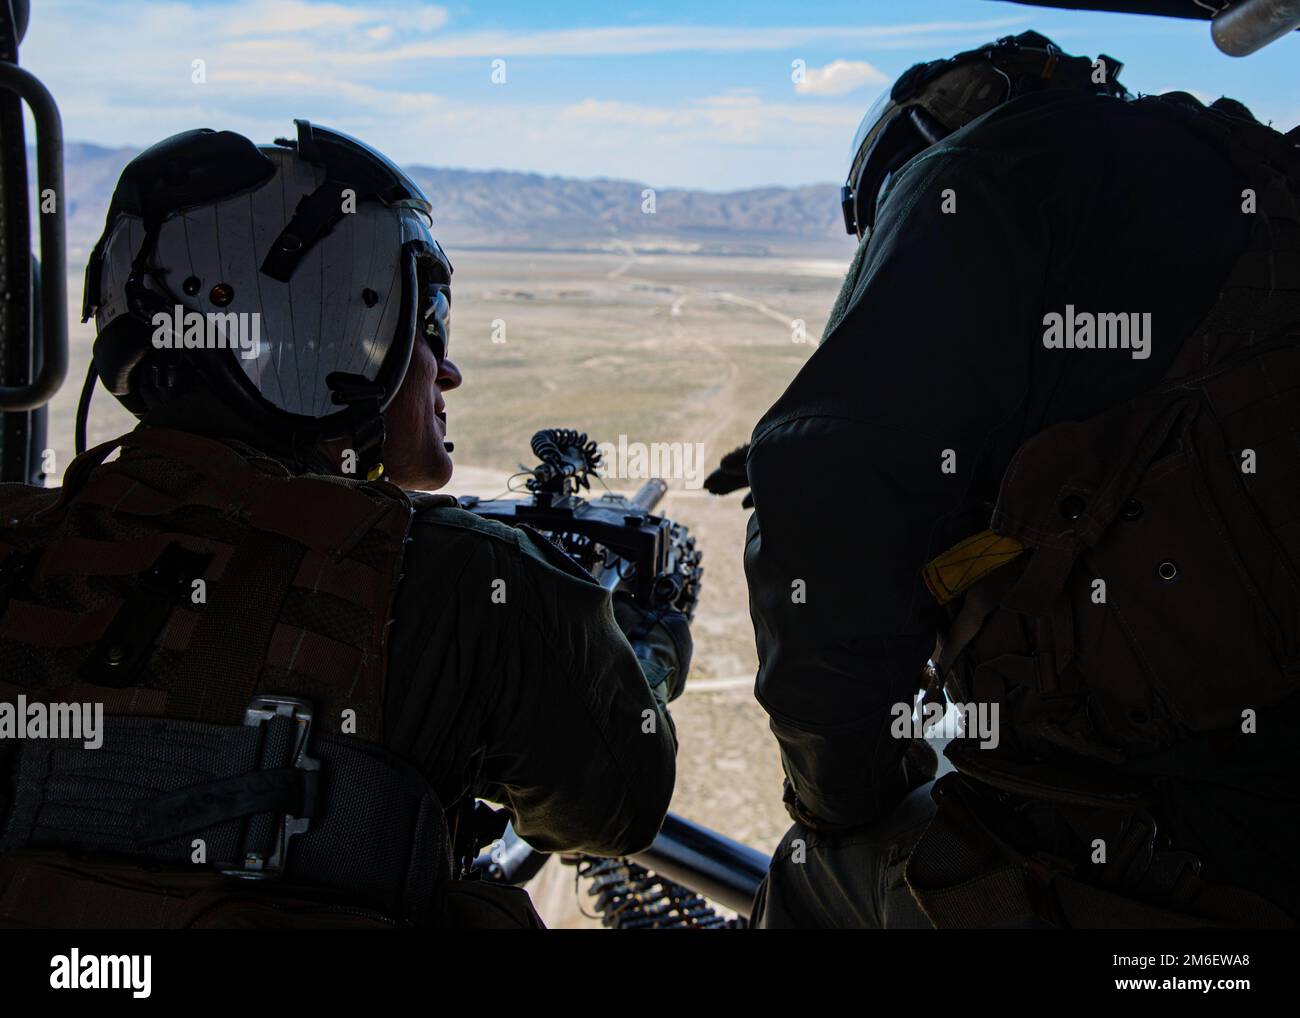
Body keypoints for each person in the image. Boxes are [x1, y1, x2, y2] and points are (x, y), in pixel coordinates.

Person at [0, 121, 691, 928]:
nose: (451, 371)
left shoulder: (20, 532)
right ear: (333, 331)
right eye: (427, 323)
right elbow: (614, 810)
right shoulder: (464, 580)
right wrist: (646, 650)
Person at [732, 30, 1300, 928]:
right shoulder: (1250, 191)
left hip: (1168, 866)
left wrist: (846, 795)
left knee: (818, 873)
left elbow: (827, 493)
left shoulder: (980, 171)